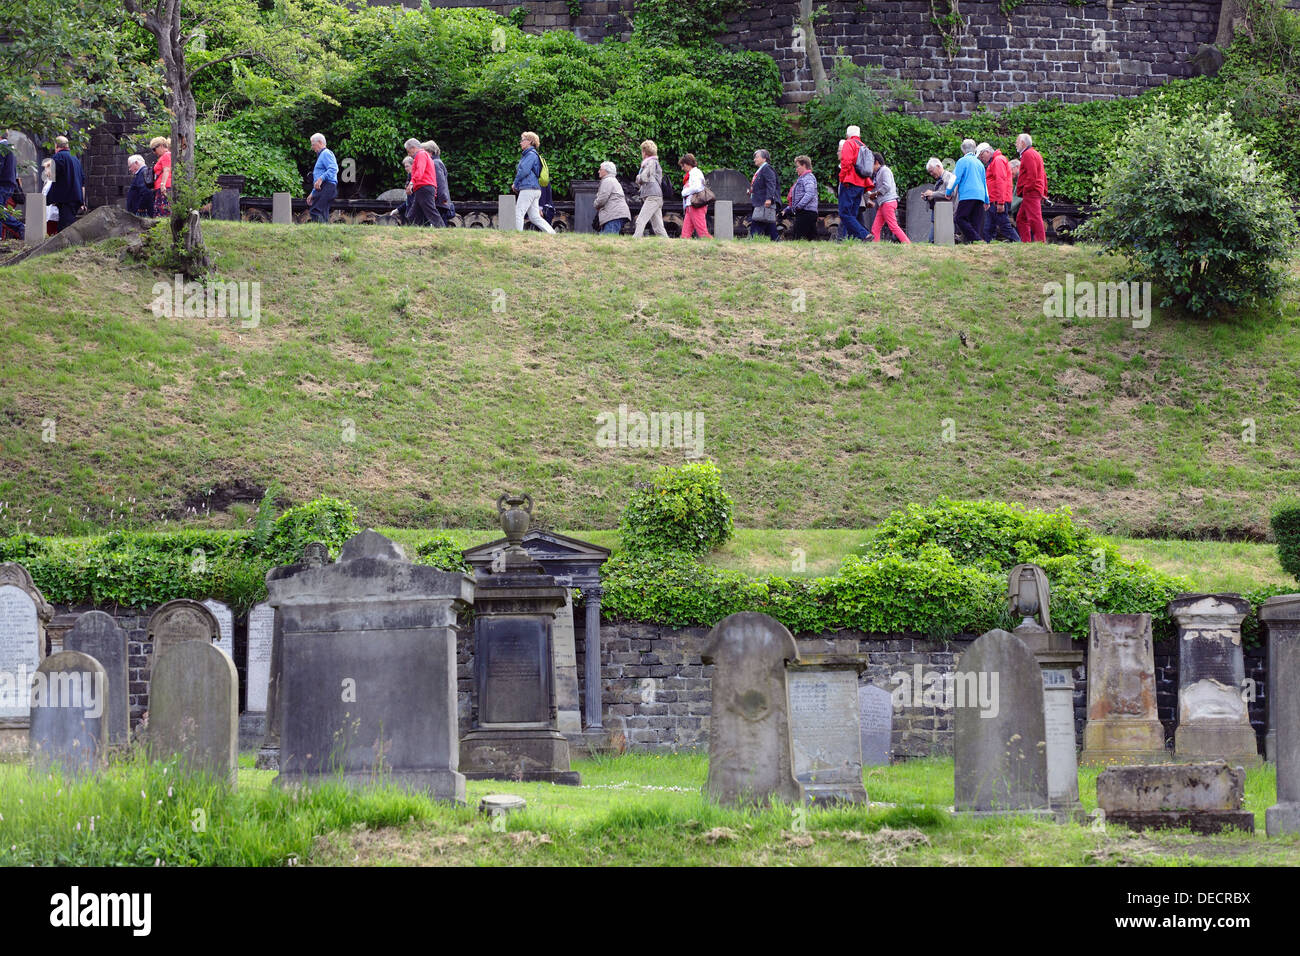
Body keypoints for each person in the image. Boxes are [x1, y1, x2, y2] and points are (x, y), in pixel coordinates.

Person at [512, 131, 554, 234]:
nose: (520, 142)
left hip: (528, 188)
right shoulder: (532, 154)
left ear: (530, 142)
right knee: (534, 217)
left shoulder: (530, 155)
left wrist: (515, 183)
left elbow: (523, 171)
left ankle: (517, 237)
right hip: (535, 189)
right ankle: (552, 233)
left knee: (519, 212)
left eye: (523, 140)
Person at [946, 139, 988, 242]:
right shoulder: (979, 163)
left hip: (968, 194)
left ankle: (978, 240)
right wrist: (987, 200)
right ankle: (976, 245)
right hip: (980, 195)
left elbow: (955, 178)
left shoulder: (962, 161)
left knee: (960, 218)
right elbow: (984, 182)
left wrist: (948, 192)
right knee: (976, 222)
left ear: (963, 150)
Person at [837, 125, 872, 241]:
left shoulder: (849, 143)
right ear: (859, 135)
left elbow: (846, 162)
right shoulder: (863, 146)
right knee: (852, 214)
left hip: (850, 182)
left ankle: (864, 234)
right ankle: (851, 240)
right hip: (861, 184)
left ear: (847, 135)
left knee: (844, 213)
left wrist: (842, 177)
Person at [978, 143, 1019, 242]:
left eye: (982, 156)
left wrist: (1000, 202)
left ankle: (1018, 242)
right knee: (989, 228)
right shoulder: (997, 160)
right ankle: (989, 247)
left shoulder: (998, 160)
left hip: (997, 200)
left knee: (1004, 226)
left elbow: (1000, 181)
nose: (981, 159)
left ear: (987, 152)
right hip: (995, 200)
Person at [866, 152, 910, 244]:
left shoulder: (884, 170)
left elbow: (887, 186)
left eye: (871, 164)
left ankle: (907, 243)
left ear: (877, 162)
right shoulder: (878, 172)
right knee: (875, 227)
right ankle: (875, 246)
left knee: (893, 226)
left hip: (888, 202)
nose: (870, 168)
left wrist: (875, 193)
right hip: (883, 203)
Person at [47, 135, 86, 232]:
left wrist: (48, 168)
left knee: (65, 228)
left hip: (65, 197)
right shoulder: (75, 158)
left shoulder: (58, 156)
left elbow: (51, 176)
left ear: (56, 146)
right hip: (75, 196)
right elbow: (82, 180)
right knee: (68, 224)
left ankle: (67, 246)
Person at [404, 137, 445, 227]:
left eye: (408, 151)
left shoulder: (421, 155)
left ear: (413, 148)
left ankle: (442, 229)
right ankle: (410, 232)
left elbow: (420, 171)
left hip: (424, 187)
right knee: (413, 215)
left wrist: (411, 183)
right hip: (424, 188)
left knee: (431, 212)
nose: (408, 154)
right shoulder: (425, 155)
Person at [1015, 132, 1048, 243]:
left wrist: (1026, 189)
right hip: (1033, 190)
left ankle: (1040, 242)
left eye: (1017, 142)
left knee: (1034, 218)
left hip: (1031, 191)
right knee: (1021, 219)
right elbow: (1043, 174)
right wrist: (1044, 191)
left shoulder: (1028, 154)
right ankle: (1026, 243)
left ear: (1023, 143)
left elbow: (1032, 175)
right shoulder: (1035, 153)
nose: (1015, 144)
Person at [633, 140, 667, 237]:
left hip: (652, 196)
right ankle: (668, 244)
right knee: (658, 227)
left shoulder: (650, 162)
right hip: (656, 196)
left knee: (640, 220)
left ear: (644, 152)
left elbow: (644, 177)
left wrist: (637, 177)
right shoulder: (654, 162)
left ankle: (634, 240)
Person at [748, 148, 780, 240]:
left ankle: (752, 240)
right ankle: (775, 240)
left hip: (764, 203)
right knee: (770, 227)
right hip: (761, 202)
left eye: (757, 157)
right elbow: (762, 186)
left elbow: (771, 184)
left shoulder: (767, 168)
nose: (754, 159)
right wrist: (752, 191)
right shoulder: (761, 169)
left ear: (764, 158)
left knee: (756, 223)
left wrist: (769, 198)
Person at [921, 157, 956, 243]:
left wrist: (933, 194)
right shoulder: (939, 180)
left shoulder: (949, 177)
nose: (931, 174)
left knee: (934, 240)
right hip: (938, 214)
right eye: (930, 172)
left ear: (938, 166)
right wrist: (928, 197)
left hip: (947, 215)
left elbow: (951, 193)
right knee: (933, 240)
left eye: (932, 171)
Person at [306, 132, 338, 224]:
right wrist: (312, 193)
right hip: (324, 187)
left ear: (320, 142)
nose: (312, 148)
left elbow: (333, 168)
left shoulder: (326, 153)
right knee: (323, 212)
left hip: (327, 186)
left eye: (313, 145)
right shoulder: (321, 156)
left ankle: (319, 232)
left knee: (316, 211)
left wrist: (321, 179)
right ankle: (325, 233)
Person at [678, 153, 710, 239]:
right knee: (685, 233)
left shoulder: (695, 173)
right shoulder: (693, 173)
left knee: (702, 232)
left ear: (688, 164)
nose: (683, 168)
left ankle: (714, 247)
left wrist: (684, 192)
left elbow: (696, 187)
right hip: (691, 205)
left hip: (696, 205)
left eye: (683, 165)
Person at [594, 161, 631, 234]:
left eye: (600, 169)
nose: (598, 171)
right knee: (605, 241)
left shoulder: (608, 180)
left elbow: (602, 199)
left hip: (613, 215)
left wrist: (595, 204)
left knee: (607, 241)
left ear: (606, 171)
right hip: (615, 214)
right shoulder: (612, 180)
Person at [424, 141, 455, 225]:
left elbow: (440, 183)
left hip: (439, 202)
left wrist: (443, 199)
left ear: (430, 153)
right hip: (440, 201)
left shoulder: (435, 163)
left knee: (439, 227)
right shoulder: (437, 162)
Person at [788, 155, 819, 240]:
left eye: (798, 166)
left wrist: (798, 206)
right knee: (811, 239)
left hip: (806, 212)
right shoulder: (804, 177)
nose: (796, 169)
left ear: (804, 165)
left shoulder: (808, 177)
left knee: (798, 239)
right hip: (807, 212)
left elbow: (810, 193)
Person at [150, 136, 172, 219]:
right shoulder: (164, 156)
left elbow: (166, 170)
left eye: (154, 149)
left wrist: (163, 185)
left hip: (164, 186)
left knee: (163, 209)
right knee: (161, 208)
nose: (153, 152)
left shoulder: (166, 155)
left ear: (161, 146)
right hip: (162, 186)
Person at [40, 158, 59, 235]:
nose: (45, 171)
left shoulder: (54, 181)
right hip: (47, 210)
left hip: (53, 210)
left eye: (46, 169)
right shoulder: (47, 180)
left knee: (52, 230)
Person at [0, 132, 18, 209]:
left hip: (3, 184)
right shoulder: (10, 147)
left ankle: (16, 222)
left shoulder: (2, 147)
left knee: (1, 212)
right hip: (10, 183)